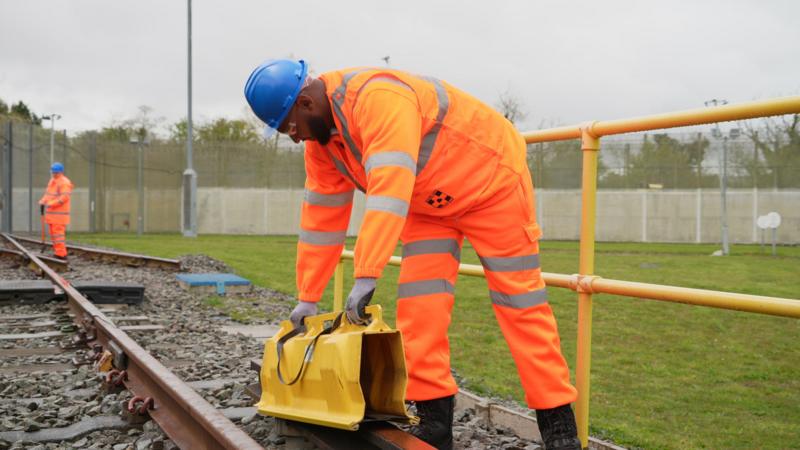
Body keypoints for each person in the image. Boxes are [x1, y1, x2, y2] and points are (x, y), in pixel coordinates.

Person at [244, 59, 581, 450]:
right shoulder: (323, 147)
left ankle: (559, 426)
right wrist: (308, 296)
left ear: (305, 103)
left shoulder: (377, 97)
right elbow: (321, 220)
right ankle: (435, 423)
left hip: (493, 184)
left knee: (520, 303)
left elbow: (390, 185)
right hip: (430, 208)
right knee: (419, 314)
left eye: (289, 127)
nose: (294, 138)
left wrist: (367, 272)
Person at [39, 162, 73, 261]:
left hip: (59, 216)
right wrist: (43, 201)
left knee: (58, 236)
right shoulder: (52, 181)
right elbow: (48, 194)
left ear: (61, 172)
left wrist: (51, 203)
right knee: (54, 235)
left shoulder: (64, 182)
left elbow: (64, 197)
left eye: (56, 173)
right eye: (53, 172)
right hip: (51, 215)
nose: (54, 174)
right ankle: (58, 253)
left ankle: (61, 254)